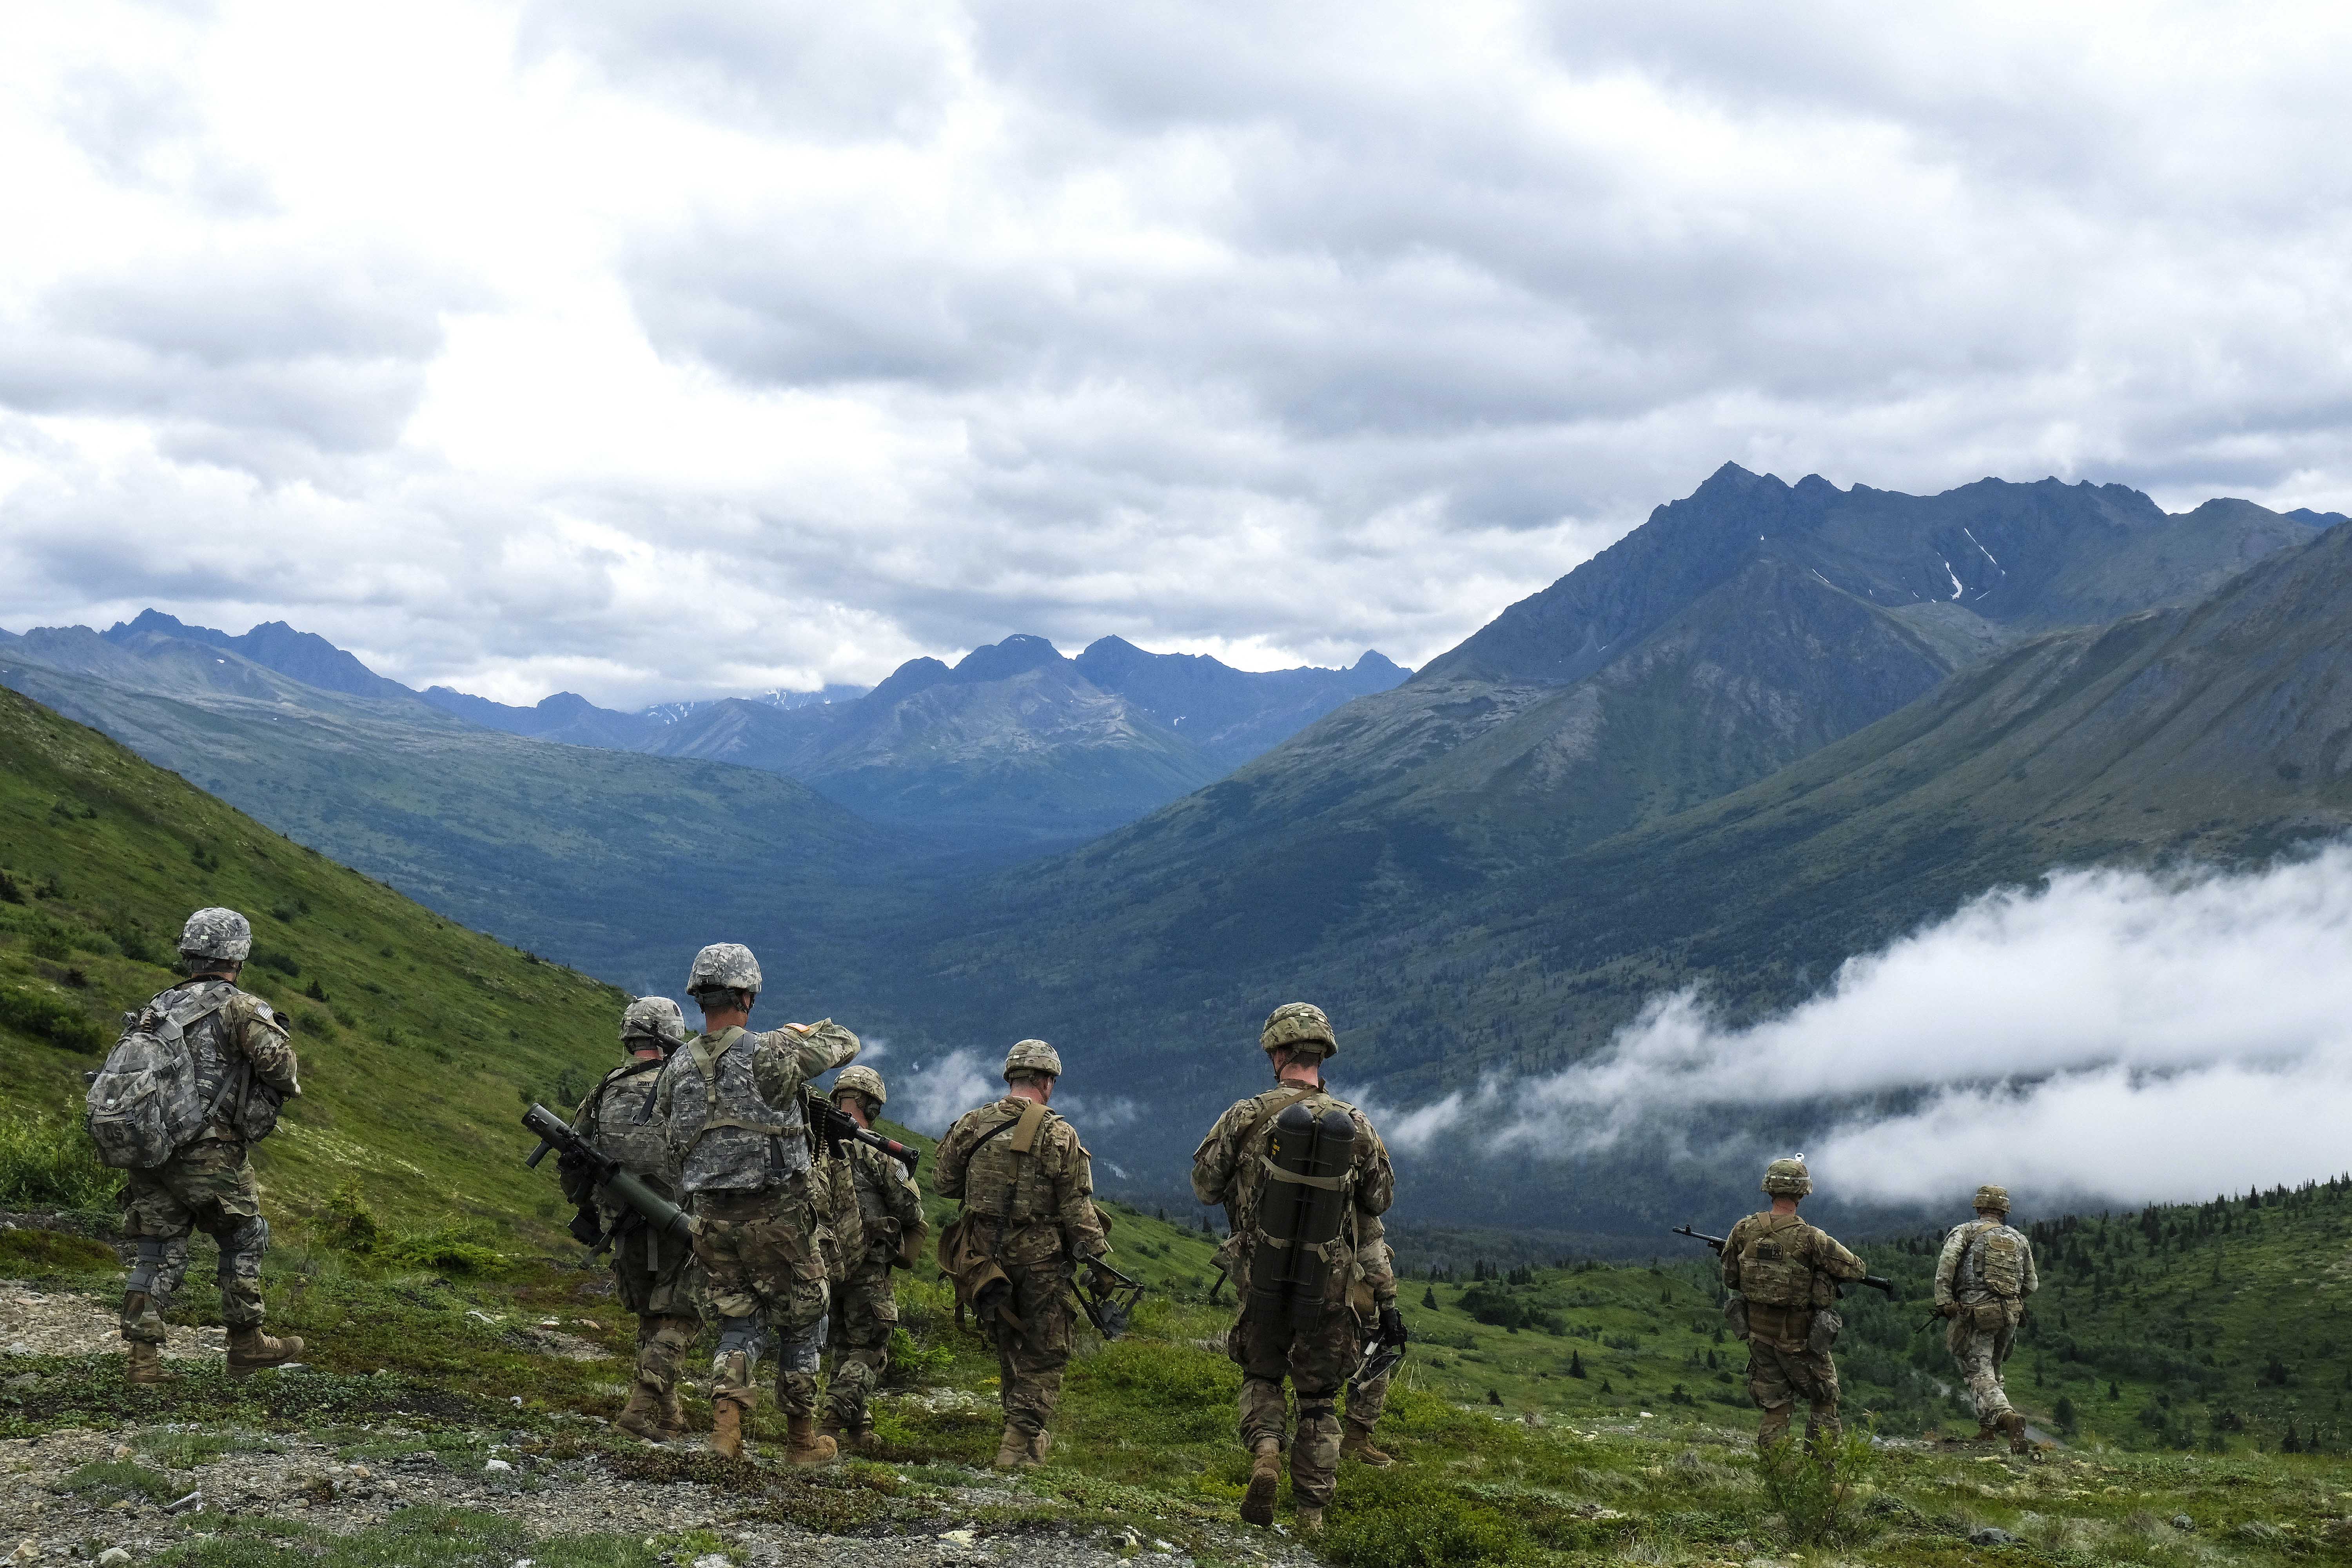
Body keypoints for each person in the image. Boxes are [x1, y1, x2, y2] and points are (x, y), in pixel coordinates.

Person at [1192, 1003, 1395, 1535]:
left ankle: (1265, 1453)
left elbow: (1205, 1187)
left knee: (1262, 1373)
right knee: (1320, 1399)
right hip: (1328, 1287)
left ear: (1277, 1053)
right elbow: (1380, 1198)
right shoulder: (1354, 1124)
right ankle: (1310, 1516)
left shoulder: (1243, 1115)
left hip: (1259, 1277)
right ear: (1322, 1054)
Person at [653, 942, 860, 1463]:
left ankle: (725, 1434)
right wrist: (799, 1034)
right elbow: (846, 1042)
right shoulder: (769, 1052)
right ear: (747, 996)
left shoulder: (677, 1065)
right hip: (780, 1218)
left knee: (738, 1324)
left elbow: (671, 1137)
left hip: (713, 1221)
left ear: (700, 998)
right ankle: (801, 1442)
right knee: (804, 1320)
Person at [115, 907, 306, 1382]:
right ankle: (246, 1344)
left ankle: (144, 1360)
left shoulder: (156, 1007)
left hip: (151, 1148)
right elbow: (282, 1070)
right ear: (237, 956)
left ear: (189, 953)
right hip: (209, 1151)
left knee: (157, 1248)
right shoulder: (239, 1007)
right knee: (243, 1235)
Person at [934, 1039, 1111, 1470]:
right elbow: (1076, 1209)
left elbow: (944, 1183)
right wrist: (1100, 1263)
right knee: (1047, 1348)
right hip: (1041, 1259)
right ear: (1047, 1082)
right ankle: (1015, 1445)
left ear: (1010, 1078)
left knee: (1008, 1342)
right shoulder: (1058, 1133)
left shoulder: (972, 1124)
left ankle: (1029, 1442)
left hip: (983, 1260)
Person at [562, 996, 698, 1442]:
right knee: (680, 1318)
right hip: (683, 1224)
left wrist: (589, 1210)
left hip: (624, 1224)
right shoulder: (686, 1086)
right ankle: (639, 1412)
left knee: (651, 1321)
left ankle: (670, 1415)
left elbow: (573, 1157)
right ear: (673, 1036)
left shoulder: (605, 1088)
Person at [1719, 1157, 1870, 1452]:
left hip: (1758, 1335)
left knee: (1775, 1406)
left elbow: (1730, 1278)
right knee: (1825, 1399)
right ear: (1803, 1194)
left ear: (1769, 1189)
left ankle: (1779, 1477)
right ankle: (1820, 1480)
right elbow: (1856, 1269)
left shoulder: (1743, 1230)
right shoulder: (1812, 1238)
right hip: (1799, 1338)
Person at [821, 1065, 927, 1451]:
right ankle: (830, 1422)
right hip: (867, 1263)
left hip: (824, 1262)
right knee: (869, 1347)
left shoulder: (814, 1146)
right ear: (873, 1105)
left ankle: (859, 1430)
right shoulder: (876, 1151)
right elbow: (910, 1208)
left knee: (843, 1345)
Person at [1933, 1183, 2040, 1454]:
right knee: (1994, 1370)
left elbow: (1947, 1264)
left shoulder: (1966, 1231)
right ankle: (1988, 1429)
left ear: (1979, 1207)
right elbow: (2031, 1284)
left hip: (1976, 1314)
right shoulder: (2020, 1240)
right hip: (2011, 1314)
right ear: (2004, 1211)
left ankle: (2007, 1417)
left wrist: (1945, 1300)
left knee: (1977, 1372)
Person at [1340, 1228, 1401, 1466]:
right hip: (1341, 1284)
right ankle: (1356, 1437)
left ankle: (1302, 1431)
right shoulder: (1352, 1192)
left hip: (1288, 1284)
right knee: (1378, 1352)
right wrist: (1388, 1302)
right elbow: (1370, 1243)